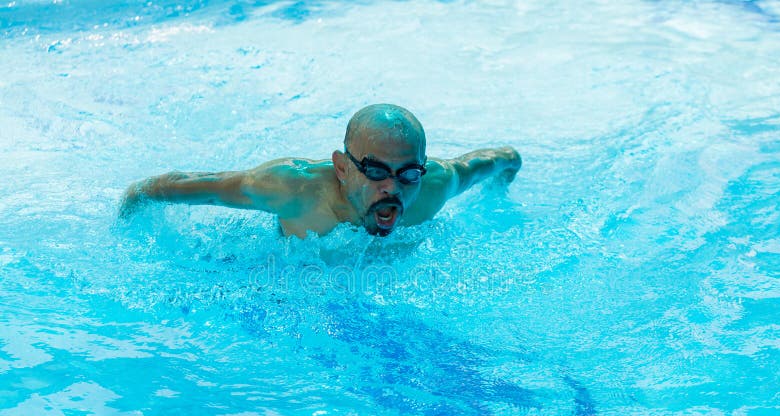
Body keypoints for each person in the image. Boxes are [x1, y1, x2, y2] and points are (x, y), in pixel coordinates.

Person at [119, 103, 521, 238]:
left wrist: (506, 180)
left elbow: (495, 161)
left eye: (407, 174)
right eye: (376, 171)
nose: (392, 187)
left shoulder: (435, 185)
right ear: (342, 168)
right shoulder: (290, 189)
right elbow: (196, 187)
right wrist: (131, 204)